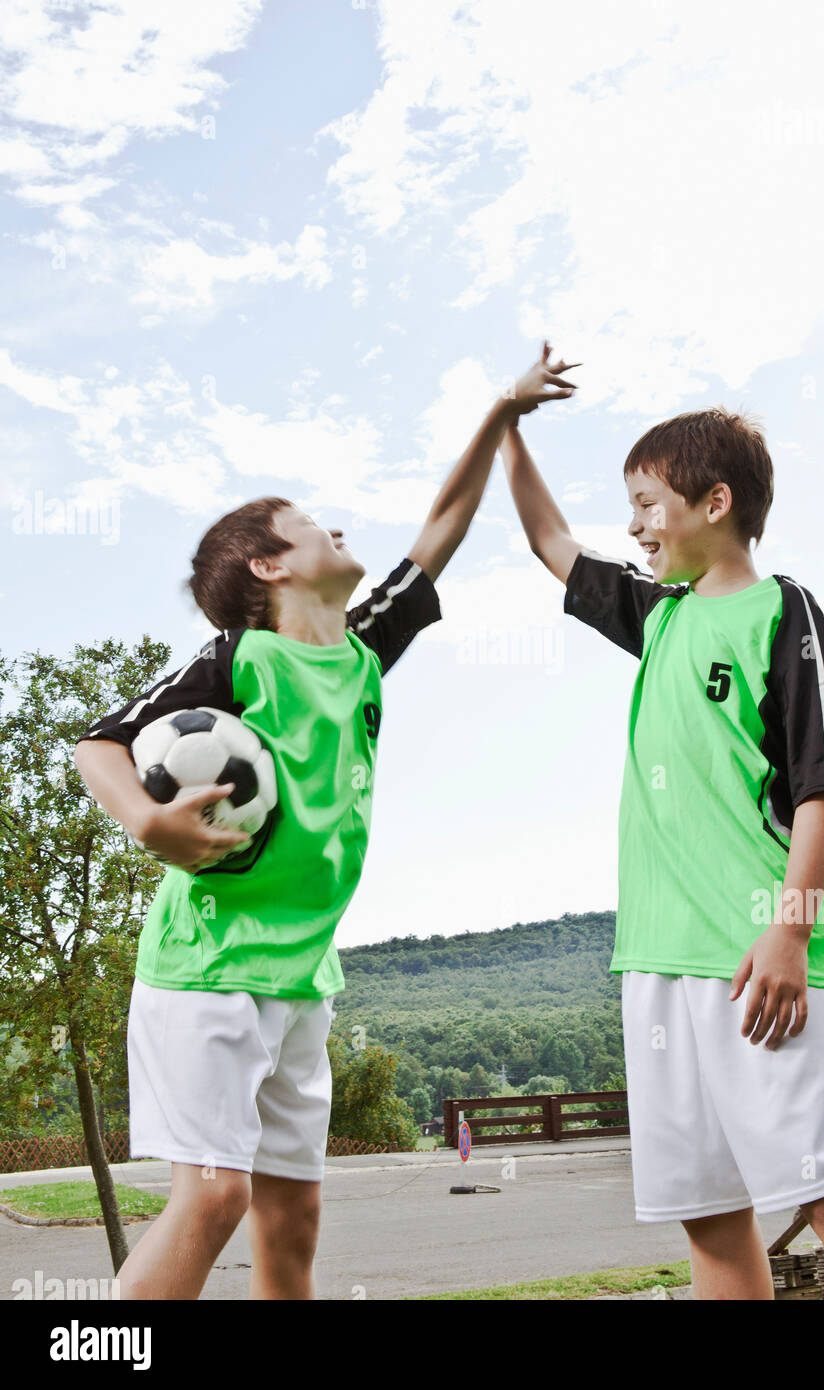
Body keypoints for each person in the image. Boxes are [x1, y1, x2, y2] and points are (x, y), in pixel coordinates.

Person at [72, 344, 579, 1300]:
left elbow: (441, 526)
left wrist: (499, 415)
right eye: (310, 525)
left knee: (293, 1214)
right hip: (210, 969)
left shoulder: (362, 648)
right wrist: (151, 824)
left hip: (304, 976)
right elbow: (99, 744)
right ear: (268, 565)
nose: (336, 526)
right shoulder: (238, 657)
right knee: (214, 1197)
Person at [499, 400, 824, 1300]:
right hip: (658, 971)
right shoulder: (655, 618)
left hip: (765, 964)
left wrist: (788, 933)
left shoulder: (786, 611)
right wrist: (507, 424)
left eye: (647, 503)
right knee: (710, 1221)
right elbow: (550, 540)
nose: (632, 524)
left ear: (715, 503)